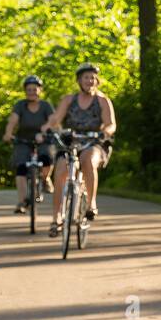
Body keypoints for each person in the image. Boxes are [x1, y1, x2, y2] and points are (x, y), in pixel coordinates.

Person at [43, 62, 115, 236]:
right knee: (61, 170)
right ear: (79, 81)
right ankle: (57, 218)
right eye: (86, 78)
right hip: (71, 141)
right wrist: (46, 129)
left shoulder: (102, 100)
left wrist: (105, 132)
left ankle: (91, 204)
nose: (89, 81)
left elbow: (111, 124)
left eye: (92, 78)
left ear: (97, 80)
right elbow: (56, 119)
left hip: (94, 141)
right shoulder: (69, 99)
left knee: (88, 160)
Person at [2, 75, 56, 215]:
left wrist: (44, 132)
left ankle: (45, 178)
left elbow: (52, 121)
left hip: (43, 139)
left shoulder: (46, 105)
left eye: (34, 89)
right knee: (21, 167)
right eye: (29, 89)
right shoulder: (20, 105)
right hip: (23, 140)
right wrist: (8, 133)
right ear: (25, 91)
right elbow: (13, 121)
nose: (31, 92)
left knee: (47, 158)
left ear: (40, 90)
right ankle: (22, 201)